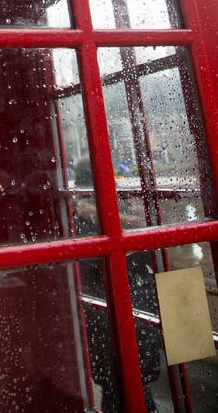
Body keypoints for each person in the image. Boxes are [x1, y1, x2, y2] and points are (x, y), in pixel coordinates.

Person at [74, 157, 161, 412]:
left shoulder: (82, 211)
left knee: (117, 382)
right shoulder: (103, 205)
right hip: (132, 299)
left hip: (105, 303)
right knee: (131, 382)